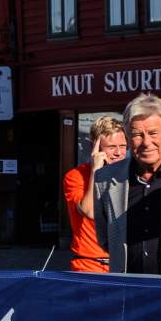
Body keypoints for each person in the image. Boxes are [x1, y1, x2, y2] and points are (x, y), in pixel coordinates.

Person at [79, 93, 161, 276]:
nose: (146, 142)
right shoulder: (105, 178)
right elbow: (107, 238)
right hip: (128, 291)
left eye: (153, 133)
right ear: (127, 136)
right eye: (137, 134)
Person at [61, 115, 123, 272]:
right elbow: (89, 211)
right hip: (89, 264)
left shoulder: (129, 175)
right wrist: (96, 171)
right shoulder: (76, 176)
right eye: (111, 147)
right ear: (95, 147)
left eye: (122, 146)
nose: (118, 152)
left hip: (123, 263)